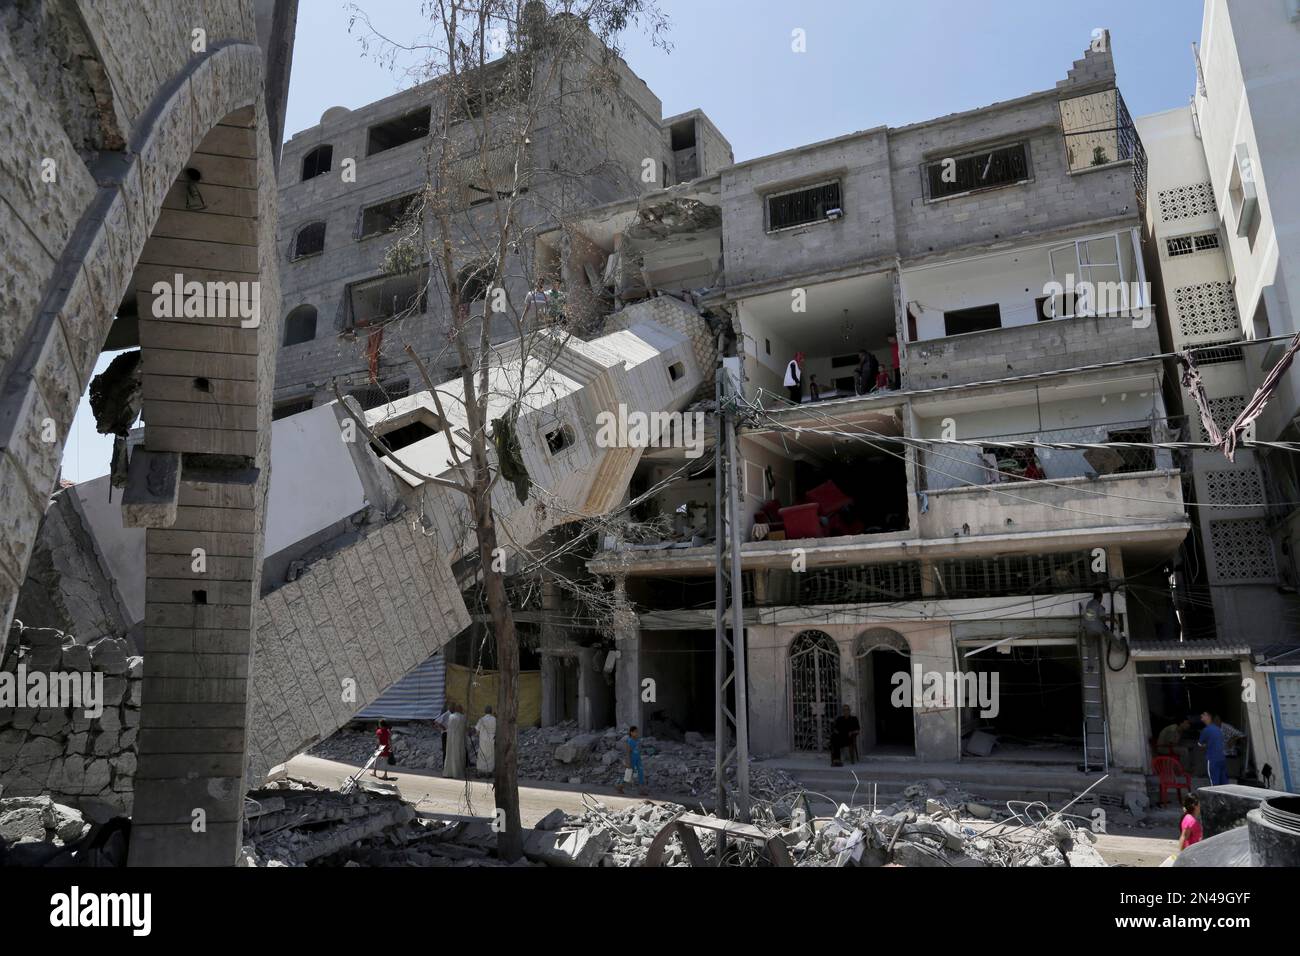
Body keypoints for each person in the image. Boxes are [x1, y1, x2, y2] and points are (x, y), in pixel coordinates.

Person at [615, 725, 647, 796]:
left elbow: (638, 750)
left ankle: (641, 790)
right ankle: (620, 787)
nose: (637, 733)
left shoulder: (637, 740)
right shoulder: (630, 741)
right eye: (635, 732)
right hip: (631, 760)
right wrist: (628, 763)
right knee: (628, 775)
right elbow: (628, 753)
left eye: (637, 732)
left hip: (638, 760)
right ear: (631, 732)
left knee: (640, 774)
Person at [1198, 711, 1228, 786]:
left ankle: (1215, 798)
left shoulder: (1206, 730)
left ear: (1209, 717)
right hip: (1222, 759)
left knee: (1214, 784)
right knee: (1224, 784)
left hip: (1213, 760)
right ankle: (1224, 797)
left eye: (1204, 714)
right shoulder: (1218, 729)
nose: (1201, 715)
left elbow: (1199, 744)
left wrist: (1206, 745)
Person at [443, 705, 468, 779]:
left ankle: (449, 772)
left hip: (451, 739)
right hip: (460, 739)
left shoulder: (451, 716)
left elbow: (448, 727)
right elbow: (466, 728)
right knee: (458, 755)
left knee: (450, 754)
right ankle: (457, 772)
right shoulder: (463, 717)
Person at [475, 705, 497, 775]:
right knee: (491, 755)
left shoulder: (481, 719)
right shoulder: (495, 719)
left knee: (482, 755)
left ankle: (481, 771)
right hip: (492, 739)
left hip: (483, 740)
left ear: (485, 711)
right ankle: (489, 771)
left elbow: (477, 731)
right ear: (491, 711)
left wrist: (477, 735)